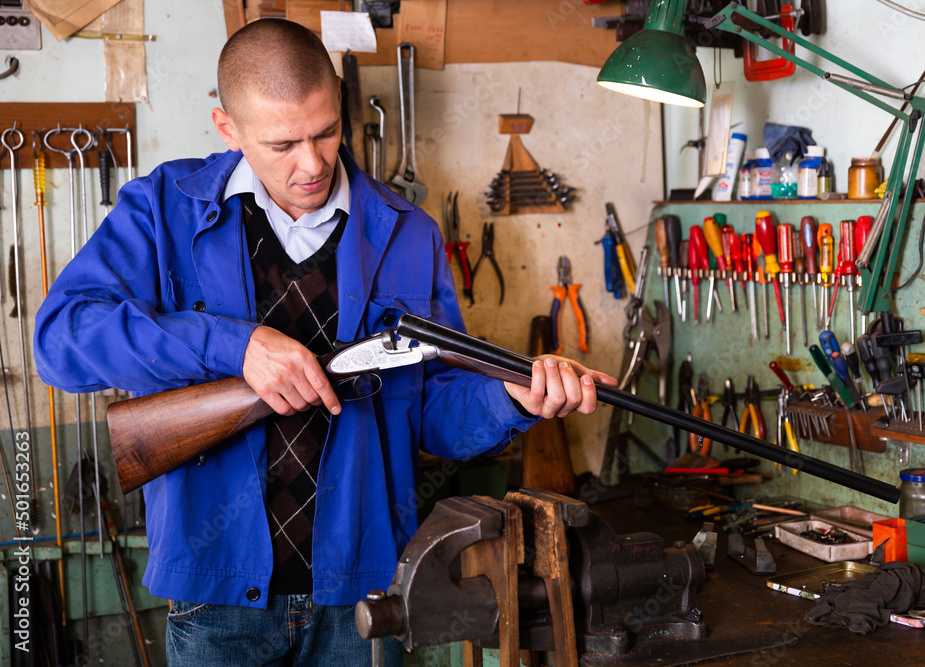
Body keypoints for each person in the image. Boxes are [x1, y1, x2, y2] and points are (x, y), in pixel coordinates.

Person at [34, 19, 614, 667]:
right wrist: (235, 347)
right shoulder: (161, 209)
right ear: (227, 128)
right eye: (282, 143)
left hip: (362, 595)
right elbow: (62, 340)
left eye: (326, 132)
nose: (311, 164)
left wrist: (513, 397)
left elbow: (432, 412)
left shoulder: (408, 234)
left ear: (339, 103)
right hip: (216, 601)